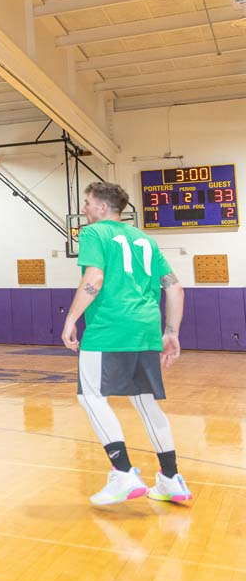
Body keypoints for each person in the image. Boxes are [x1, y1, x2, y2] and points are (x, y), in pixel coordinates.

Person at [61, 182, 192, 506]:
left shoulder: (94, 233)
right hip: (146, 330)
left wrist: (71, 318)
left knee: (90, 396)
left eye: (88, 203)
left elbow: (94, 278)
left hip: (109, 329)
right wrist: (171, 331)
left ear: (102, 208)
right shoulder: (145, 240)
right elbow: (175, 289)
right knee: (145, 403)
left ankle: (122, 473)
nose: (85, 209)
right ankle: (171, 479)